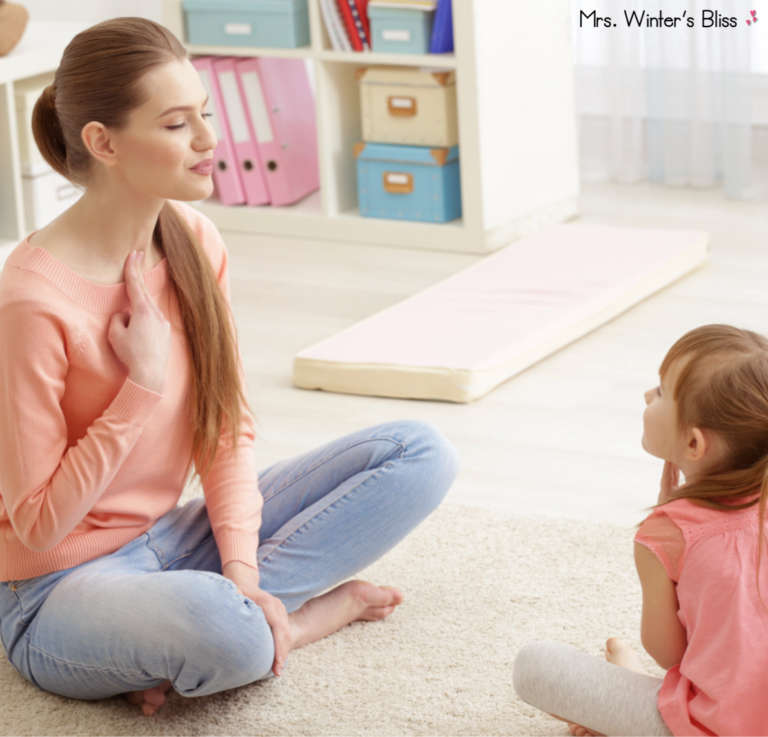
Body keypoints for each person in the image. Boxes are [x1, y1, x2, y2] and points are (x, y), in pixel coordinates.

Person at [0, 18, 460, 717]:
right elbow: (35, 524)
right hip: (59, 587)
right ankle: (291, 621)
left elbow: (225, 428)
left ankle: (238, 610)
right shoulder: (31, 302)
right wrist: (140, 387)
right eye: (180, 124)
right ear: (103, 142)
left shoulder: (193, 239)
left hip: (174, 539)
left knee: (420, 453)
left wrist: (242, 569)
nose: (212, 141)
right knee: (220, 629)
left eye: (207, 115)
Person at [512, 324, 768, 736]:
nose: (648, 396)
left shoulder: (668, 534)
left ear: (694, 446)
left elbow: (671, 653)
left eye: (663, 392)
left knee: (536, 665)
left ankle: (625, 694)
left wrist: (670, 516)